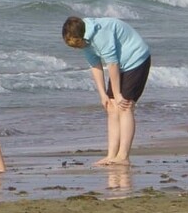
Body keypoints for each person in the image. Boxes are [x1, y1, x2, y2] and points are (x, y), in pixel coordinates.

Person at [62, 16, 152, 165]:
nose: (78, 47)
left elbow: (112, 64)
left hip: (137, 60)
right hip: (120, 65)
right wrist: (103, 94)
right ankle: (111, 155)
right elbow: (96, 66)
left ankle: (123, 156)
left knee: (125, 106)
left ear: (82, 37)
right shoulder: (85, 43)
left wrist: (118, 95)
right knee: (111, 107)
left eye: (77, 44)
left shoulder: (100, 35)